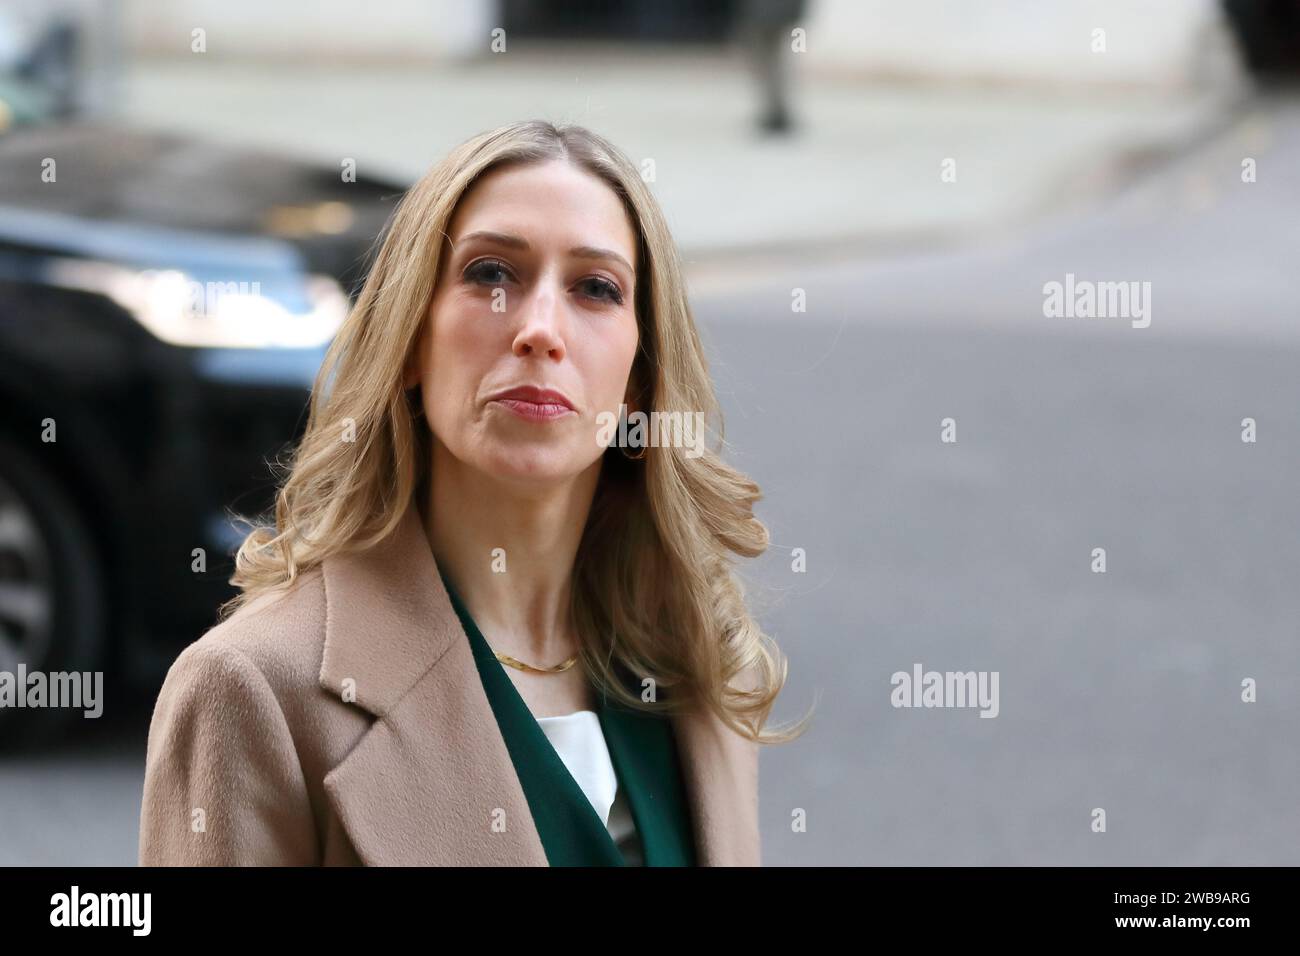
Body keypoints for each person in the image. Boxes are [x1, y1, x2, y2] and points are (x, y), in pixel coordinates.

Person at [138, 120, 809, 867]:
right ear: (412, 339)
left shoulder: (706, 666)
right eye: (491, 273)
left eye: (595, 287)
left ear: (640, 378)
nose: (539, 330)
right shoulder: (253, 691)